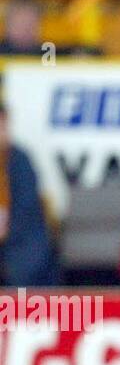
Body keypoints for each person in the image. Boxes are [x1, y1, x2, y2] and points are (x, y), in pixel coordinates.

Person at [0, 102, 60, 287]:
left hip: (18, 239)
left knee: (27, 257)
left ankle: (24, 311)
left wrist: (6, 231)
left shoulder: (19, 160)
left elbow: (26, 208)